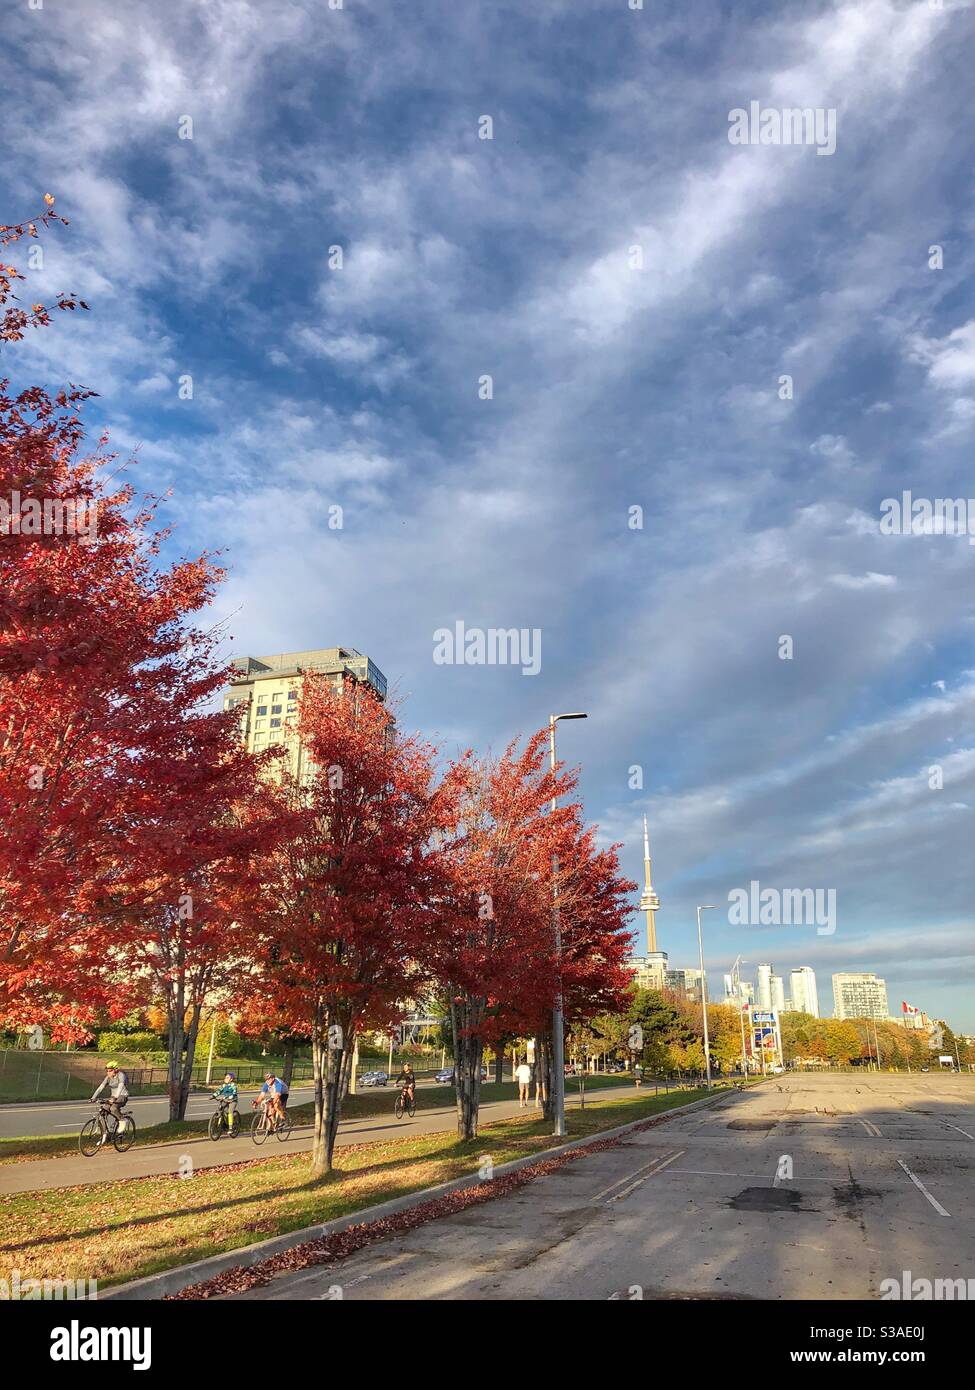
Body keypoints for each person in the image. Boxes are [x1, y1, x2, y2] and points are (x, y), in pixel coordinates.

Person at [90, 1062, 130, 1144]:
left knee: (113, 1108)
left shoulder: (121, 1075)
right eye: (107, 1071)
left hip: (122, 1096)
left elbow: (120, 1087)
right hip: (113, 1097)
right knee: (103, 1111)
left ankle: (122, 1120)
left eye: (110, 1071)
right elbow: (100, 1088)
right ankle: (105, 1134)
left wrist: (115, 1097)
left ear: (116, 1070)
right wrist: (93, 1097)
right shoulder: (108, 1078)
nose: (108, 1072)